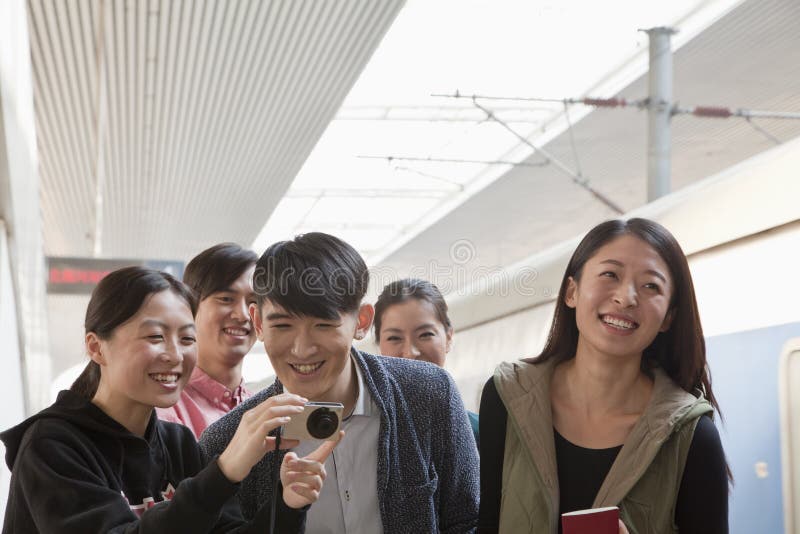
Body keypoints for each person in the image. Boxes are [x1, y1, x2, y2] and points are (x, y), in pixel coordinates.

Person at [1, 267, 335, 533]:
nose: (176, 356)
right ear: (96, 347)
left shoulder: (178, 444)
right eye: (155, 337)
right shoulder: (52, 445)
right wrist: (222, 473)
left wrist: (289, 504)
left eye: (187, 338)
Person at [200, 232, 479, 533]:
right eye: (282, 326)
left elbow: (468, 521)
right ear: (258, 324)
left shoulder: (428, 394)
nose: (302, 349)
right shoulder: (226, 443)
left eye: (323, 325)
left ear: (361, 321)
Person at [478, 218, 730, 534]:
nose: (626, 297)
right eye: (610, 274)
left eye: (651, 285)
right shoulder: (507, 398)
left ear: (668, 317)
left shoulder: (693, 437)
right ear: (572, 291)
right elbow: (487, 523)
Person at [157, 243, 258, 438]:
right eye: (226, 299)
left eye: (254, 302)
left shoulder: (265, 409)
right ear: (190, 306)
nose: (243, 315)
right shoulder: (164, 406)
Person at [374, 278, 480, 445]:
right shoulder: (365, 434)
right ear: (379, 346)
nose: (411, 353)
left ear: (449, 337)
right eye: (394, 338)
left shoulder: (483, 431)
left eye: (425, 335)